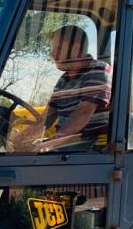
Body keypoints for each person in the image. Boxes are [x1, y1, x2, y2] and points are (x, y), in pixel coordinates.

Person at [8, 24, 112, 152]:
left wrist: (52, 143)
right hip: (68, 145)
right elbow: (47, 117)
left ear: (75, 49)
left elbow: (82, 113)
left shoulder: (97, 71)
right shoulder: (63, 80)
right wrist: (20, 139)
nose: (52, 54)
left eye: (58, 48)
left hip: (91, 147)